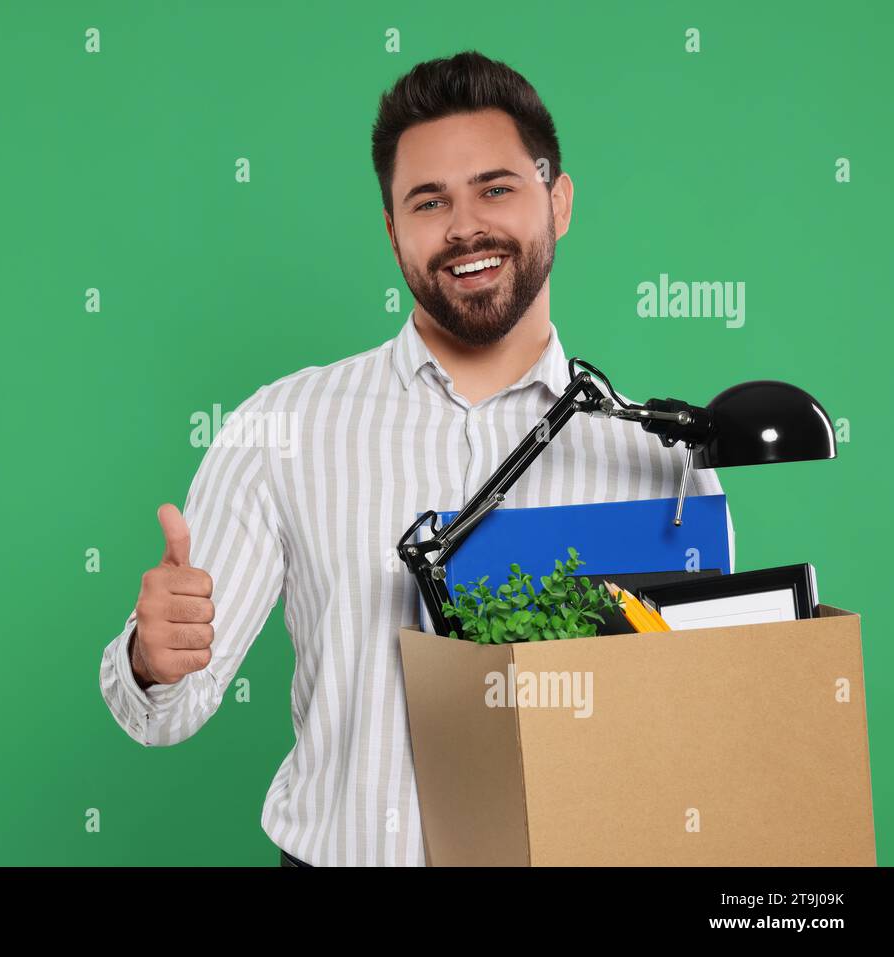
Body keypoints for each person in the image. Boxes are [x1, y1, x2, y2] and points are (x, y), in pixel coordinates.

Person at [98, 50, 735, 867]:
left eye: (497, 188)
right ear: (395, 231)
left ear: (559, 200)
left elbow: (702, 737)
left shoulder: (661, 454)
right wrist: (153, 659)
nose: (465, 226)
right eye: (429, 201)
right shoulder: (281, 426)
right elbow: (165, 713)